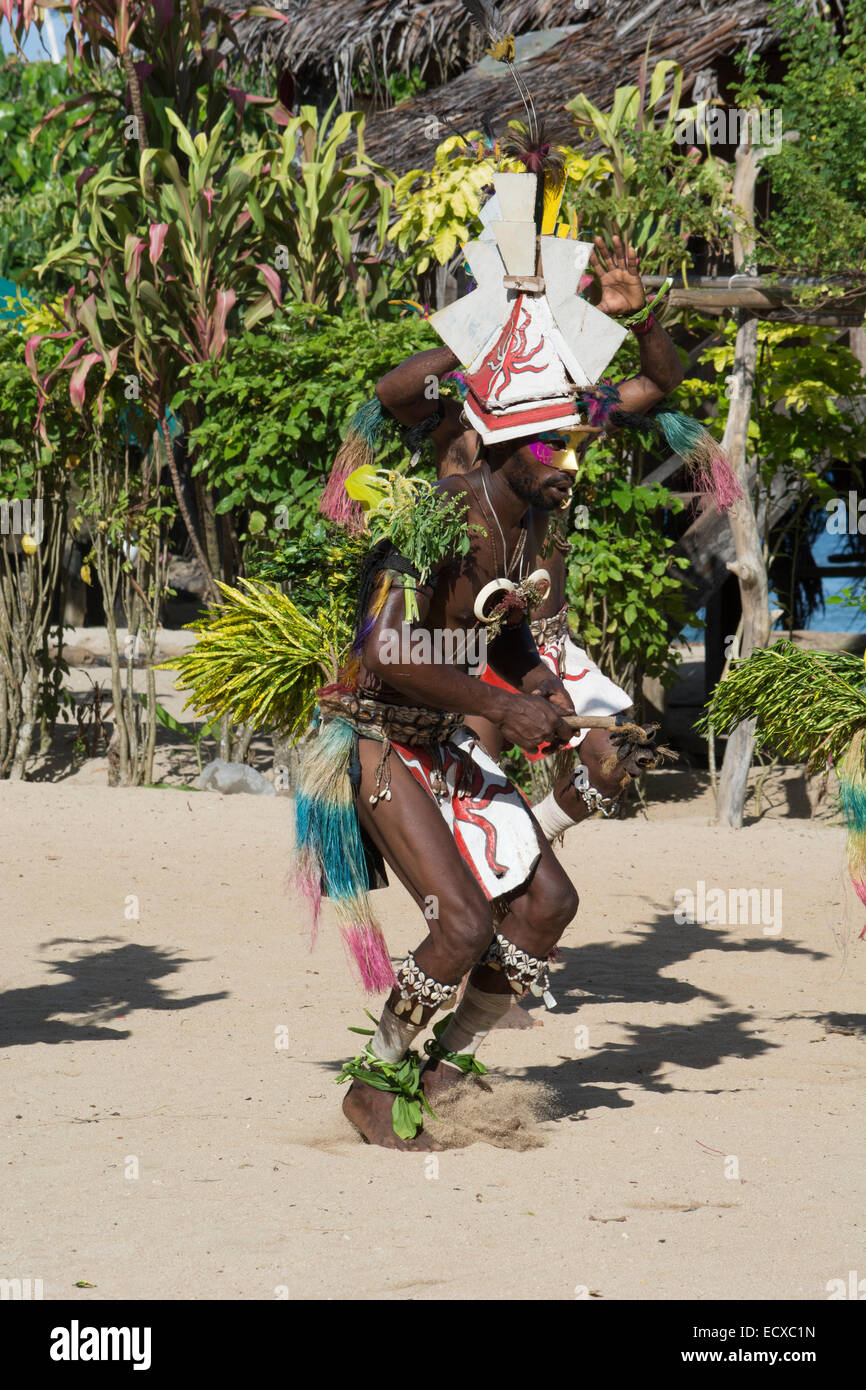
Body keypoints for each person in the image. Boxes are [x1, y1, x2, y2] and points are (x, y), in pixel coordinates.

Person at [375, 235, 684, 838]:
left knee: (617, 755)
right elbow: (393, 393)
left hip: (540, 641)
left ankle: (533, 843)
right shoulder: (465, 424)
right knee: (477, 788)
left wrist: (641, 319)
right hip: (470, 640)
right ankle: (505, 868)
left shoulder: (569, 419)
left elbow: (658, 381)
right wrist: (477, 333)